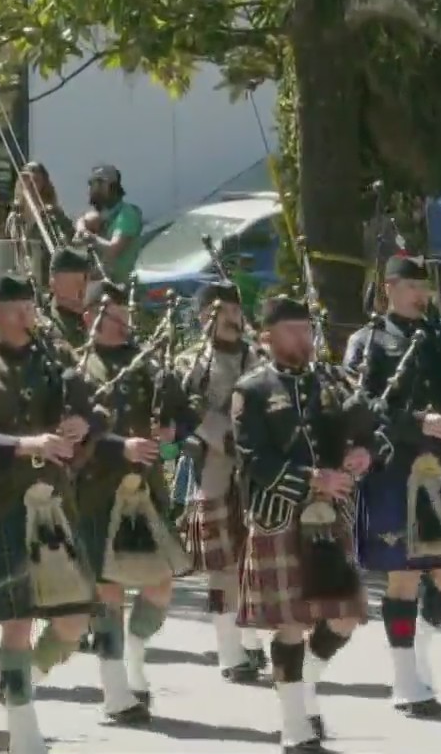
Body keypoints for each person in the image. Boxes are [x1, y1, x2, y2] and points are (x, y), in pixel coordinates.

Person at [0, 273, 98, 754]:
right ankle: (24, 731)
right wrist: (28, 444)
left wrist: (81, 424)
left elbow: (94, 414)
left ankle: (20, 679)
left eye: (30, 309)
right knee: (19, 622)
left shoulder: (55, 361)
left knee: (74, 622)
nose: (26, 319)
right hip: (5, 503)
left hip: (55, 502)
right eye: (15, 310)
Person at [232, 295, 375, 751]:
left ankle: (306, 684)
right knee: (290, 625)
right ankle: (294, 725)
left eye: (306, 328)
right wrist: (313, 479)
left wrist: (364, 454)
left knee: (346, 618)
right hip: (279, 518)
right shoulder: (251, 389)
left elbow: (374, 429)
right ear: (267, 337)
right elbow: (253, 458)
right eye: (292, 330)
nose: (303, 337)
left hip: (331, 519)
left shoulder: (333, 380)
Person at [341, 254, 441, 716]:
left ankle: (418, 647)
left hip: (439, 472)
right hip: (393, 470)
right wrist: (420, 420)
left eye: (425, 287)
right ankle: (404, 680)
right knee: (403, 576)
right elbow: (358, 407)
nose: (422, 295)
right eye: (412, 286)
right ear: (389, 288)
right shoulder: (367, 341)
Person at [67, 279, 186, 725]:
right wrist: (123, 447)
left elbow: (181, 414)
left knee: (159, 585)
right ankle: (115, 689)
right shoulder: (77, 368)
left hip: (146, 488)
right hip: (98, 490)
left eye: (124, 313)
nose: (123, 321)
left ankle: (135, 655)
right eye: (112, 313)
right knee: (108, 592)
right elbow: (77, 431)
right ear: (90, 318)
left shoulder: (149, 363)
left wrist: (172, 435)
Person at [176, 280, 268, 682]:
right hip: (216, 466)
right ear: (203, 318)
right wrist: (225, 437)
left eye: (235, 309)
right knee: (223, 563)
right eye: (221, 310)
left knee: (257, 558)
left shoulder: (260, 358)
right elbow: (186, 411)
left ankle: (249, 637)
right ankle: (229, 651)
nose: (232, 317)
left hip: (259, 470)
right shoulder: (191, 362)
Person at [6, 161, 72, 286]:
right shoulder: (14, 217)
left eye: (35, 180)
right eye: (26, 180)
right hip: (22, 281)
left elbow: (69, 238)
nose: (30, 184)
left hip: (47, 279)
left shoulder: (53, 214)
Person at [73, 165, 142, 283]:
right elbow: (81, 221)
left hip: (122, 287)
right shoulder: (102, 214)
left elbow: (113, 248)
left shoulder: (127, 214)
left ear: (113, 187)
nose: (93, 188)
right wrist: (82, 229)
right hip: (102, 283)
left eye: (99, 183)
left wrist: (91, 238)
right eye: (91, 183)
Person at [44, 246, 93, 349]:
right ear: (53, 284)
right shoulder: (46, 323)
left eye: (86, 283)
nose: (83, 292)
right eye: (76, 284)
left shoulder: (97, 318)